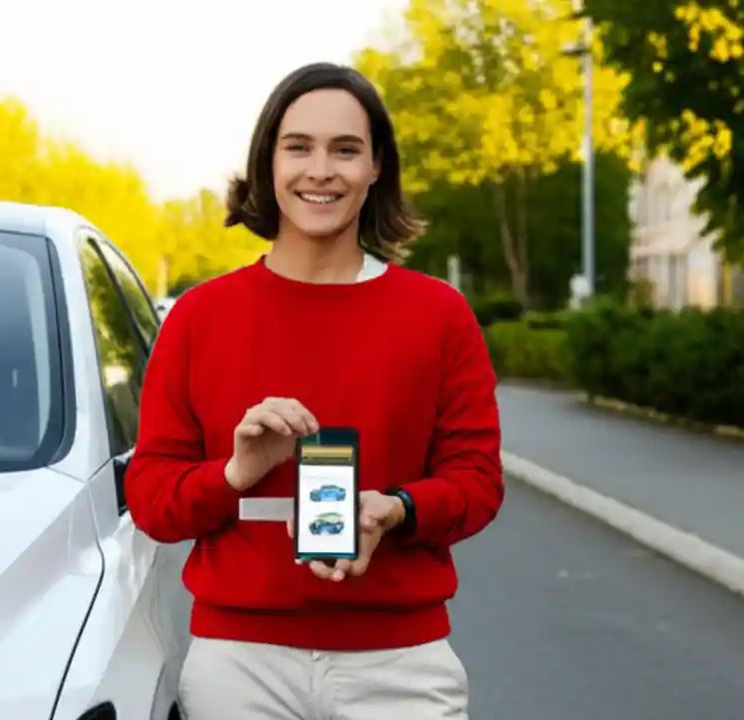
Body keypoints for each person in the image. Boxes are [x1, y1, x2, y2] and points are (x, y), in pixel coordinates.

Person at [124, 61, 504, 720]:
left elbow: (476, 483)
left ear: (377, 166)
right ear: (268, 162)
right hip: (239, 666)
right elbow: (154, 502)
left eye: (345, 150)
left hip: (402, 667)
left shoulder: (438, 315)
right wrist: (238, 472)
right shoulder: (198, 318)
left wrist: (395, 510)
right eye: (298, 147)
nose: (320, 170)